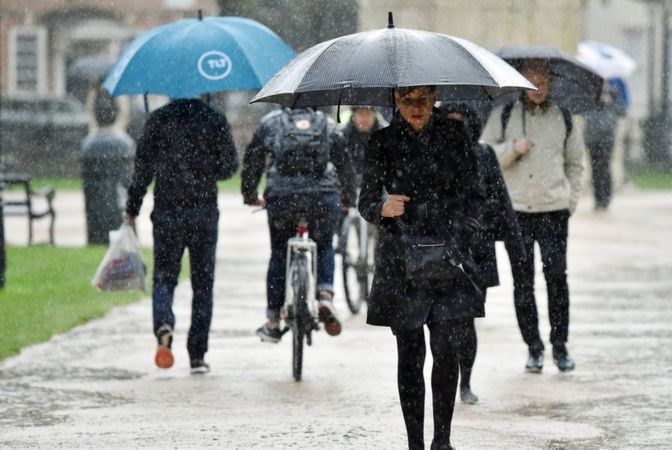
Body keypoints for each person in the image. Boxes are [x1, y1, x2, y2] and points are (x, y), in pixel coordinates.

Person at [359, 86, 485, 450]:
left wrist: (462, 235)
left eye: (423, 99)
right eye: (406, 100)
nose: (416, 108)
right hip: (401, 260)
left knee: (447, 348)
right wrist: (382, 208)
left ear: (435, 99)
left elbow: (475, 197)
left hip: (448, 255)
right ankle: (415, 441)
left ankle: (441, 440)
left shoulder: (455, 134)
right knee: (410, 353)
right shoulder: (381, 142)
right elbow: (365, 199)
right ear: (395, 101)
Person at [480, 59, 585, 373]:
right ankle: (534, 348)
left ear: (551, 83)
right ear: (521, 82)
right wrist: (513, 148)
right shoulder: (505, 115)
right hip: (517, 213)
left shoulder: (564, 118)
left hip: (554, 211)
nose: (538, 88)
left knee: (557, 279)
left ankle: (560, 346)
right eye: (532, 81)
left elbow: (576, 164)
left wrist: (570, 202)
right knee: (522, 283)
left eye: (543, 81)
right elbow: (484, 155)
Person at [125, 97, 239, 374]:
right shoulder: (214, 120)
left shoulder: (158, 120)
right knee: (203, 283)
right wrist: (207, 167)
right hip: (203, 213)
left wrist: (132, 209)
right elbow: (230, 167)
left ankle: (163, 323)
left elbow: (142, 171)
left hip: (167, 210)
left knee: (164, 277)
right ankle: (197, 355)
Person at [438, 102, 531, 405]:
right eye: (450, 122)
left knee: (467, 319)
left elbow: (501, 201)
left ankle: (465, 382)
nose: (457, 129)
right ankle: (443, 380)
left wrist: (515, 245)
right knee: (440, 322)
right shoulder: (430, 155)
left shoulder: (483, 155)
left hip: (477, 249)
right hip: (438, 249)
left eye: (462, 123)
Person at [242, 107, 356, 343]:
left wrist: (249, 193)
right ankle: (325, 295)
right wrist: (347, 198)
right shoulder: (326, 123)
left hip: (283, 196)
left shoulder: (270, 121)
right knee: (324, 244)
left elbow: (253, 159)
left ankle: (273, 320)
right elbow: (344, 163)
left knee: (279, 252)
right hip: (322, 196)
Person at [80, 88, 135, 245]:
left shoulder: (90, 144)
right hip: (116, 159)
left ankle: (99, 236)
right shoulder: (124, 144)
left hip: (101, 153)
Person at [583, 80, 625, 211]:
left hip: (607, 136)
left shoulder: (614, 91)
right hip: (592, 136)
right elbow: (582, 110)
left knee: (605, 166)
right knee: (594, 168)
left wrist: (610, 101)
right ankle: (597, 199)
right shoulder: (589, 93)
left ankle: (605, 198)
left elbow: (622, 111)